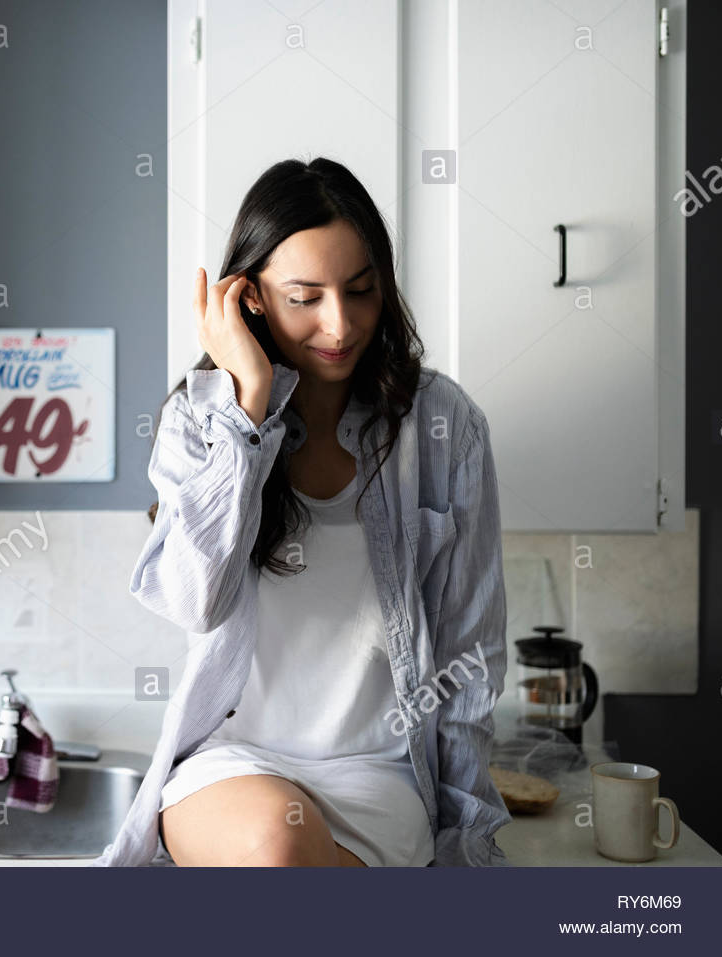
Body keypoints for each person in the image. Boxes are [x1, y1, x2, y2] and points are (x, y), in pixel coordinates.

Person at [94, 157, 511, 867]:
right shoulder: (200, 421)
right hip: (234, 771)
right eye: (304, 297)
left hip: (379, 774)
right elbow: (195, 600)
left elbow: (467, 661)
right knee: (279, 841)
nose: (340, 324)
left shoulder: (444, 427)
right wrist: (247, 405)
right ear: (250, 297)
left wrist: (467, 844)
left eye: (360, 290)